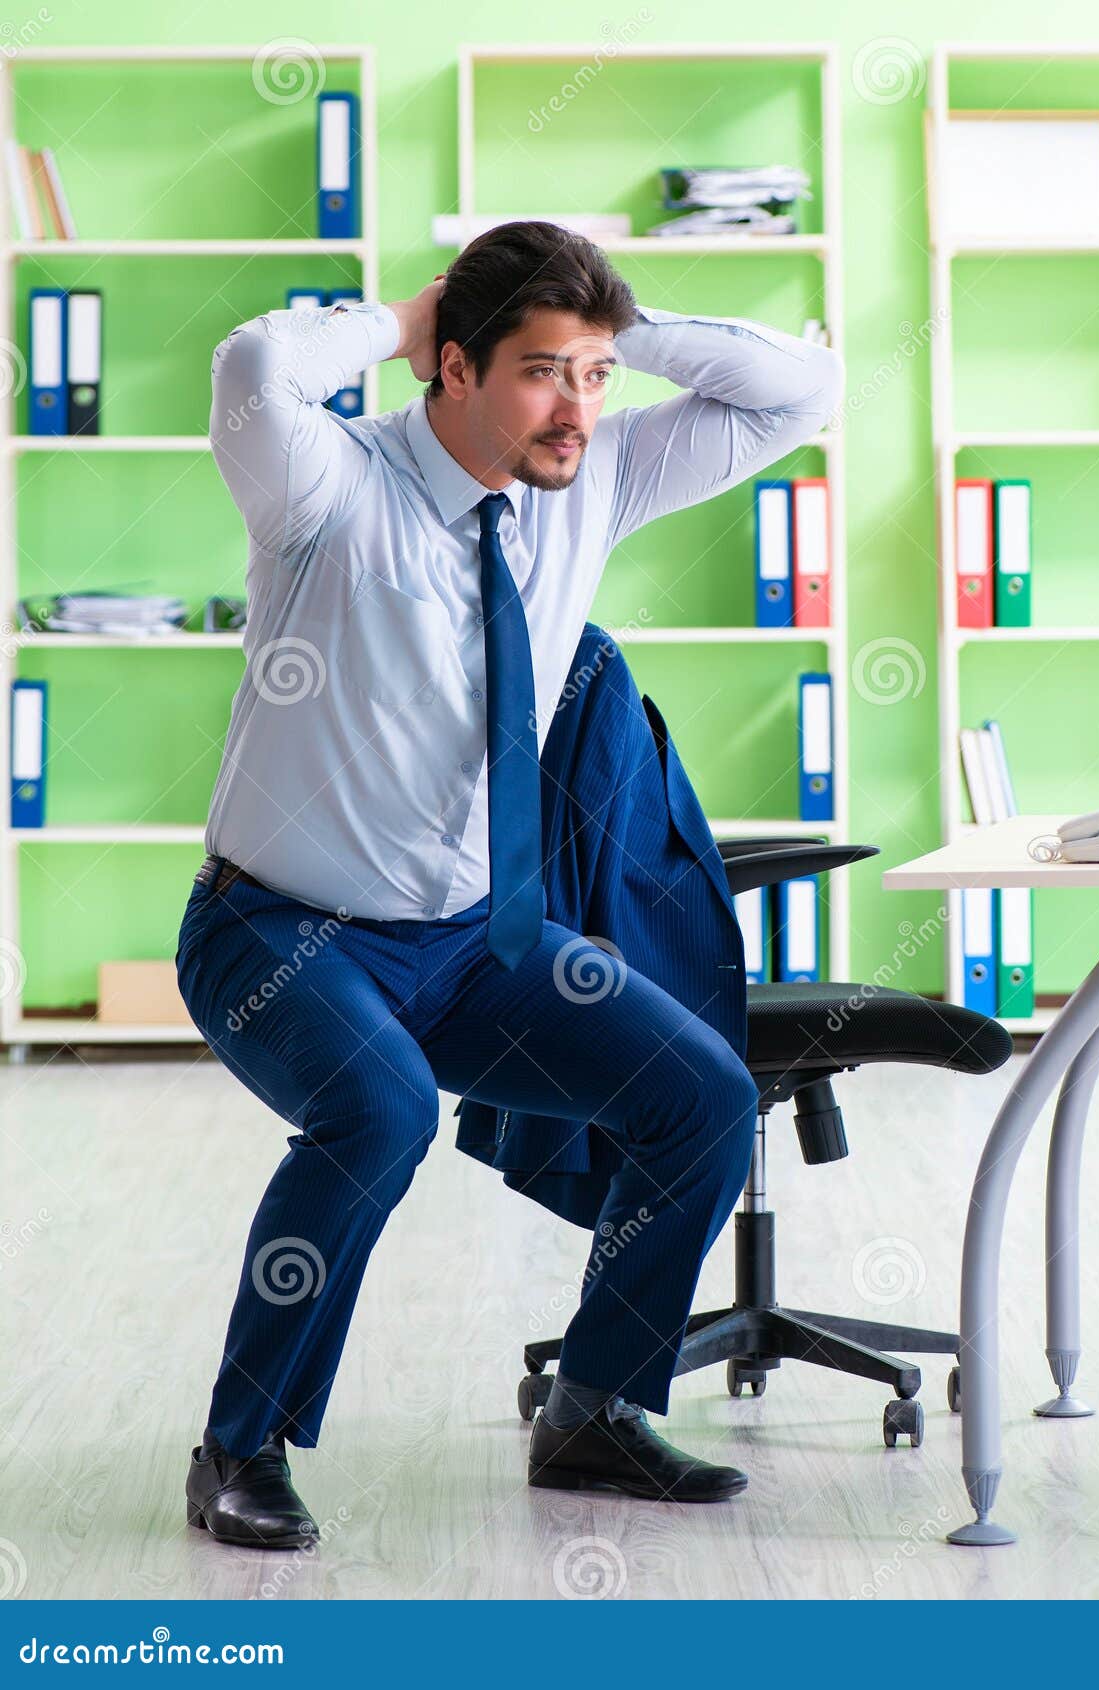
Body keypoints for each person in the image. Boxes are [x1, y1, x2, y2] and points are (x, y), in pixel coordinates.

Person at [176, 219, 845, 1549]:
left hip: (481, 943)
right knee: (380, 1111)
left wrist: (614, 327)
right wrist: (403, 314)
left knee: (705, 1093)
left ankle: (594, 1408)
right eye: (543, 372)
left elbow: (802, 392)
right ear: (455, 365)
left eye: (595, 377)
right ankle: (239, 1448)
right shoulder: (328, 483)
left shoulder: (590, 478)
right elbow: (253, 367)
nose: (578, 409)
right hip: (281, 931)